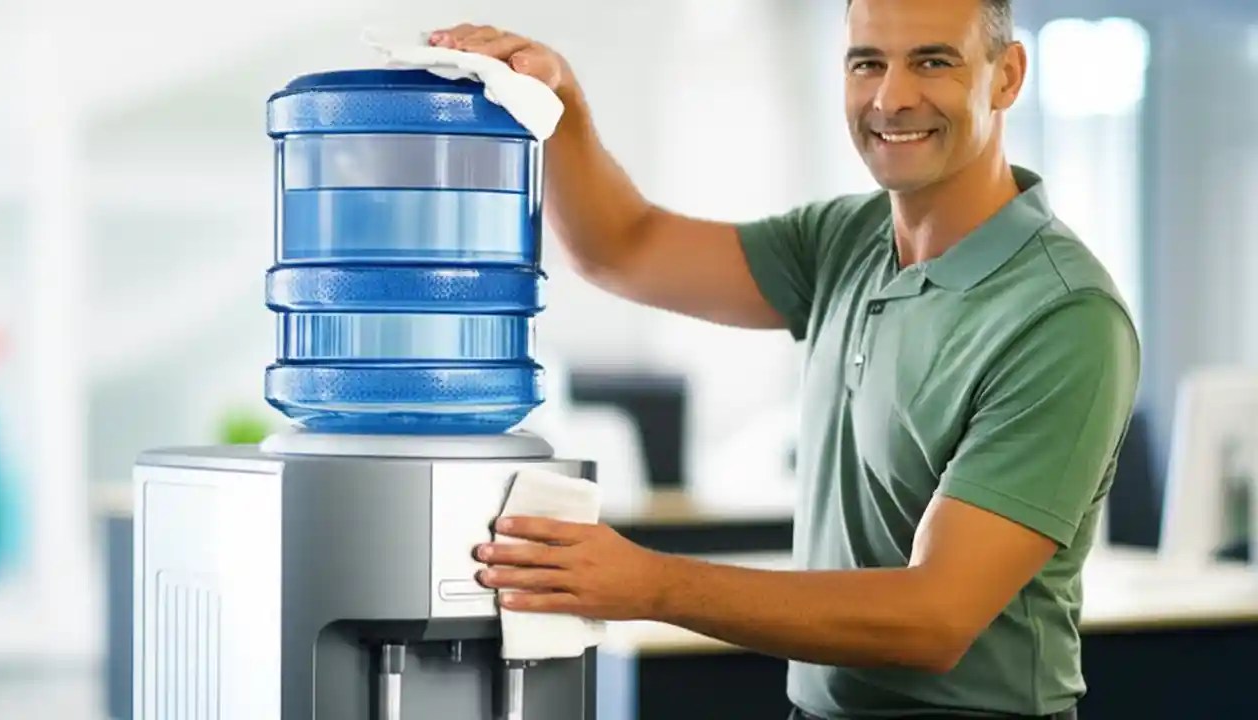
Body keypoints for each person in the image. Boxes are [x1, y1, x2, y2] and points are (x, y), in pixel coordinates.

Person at [437, 0, 1140, 717]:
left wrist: (647, 583)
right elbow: (624, 247)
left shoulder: (1063, 316)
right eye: (867, 63)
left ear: (1007, 75)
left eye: (933, 62)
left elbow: (933, 618)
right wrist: (560, 104)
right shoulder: (845, 241)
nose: (891, 98)